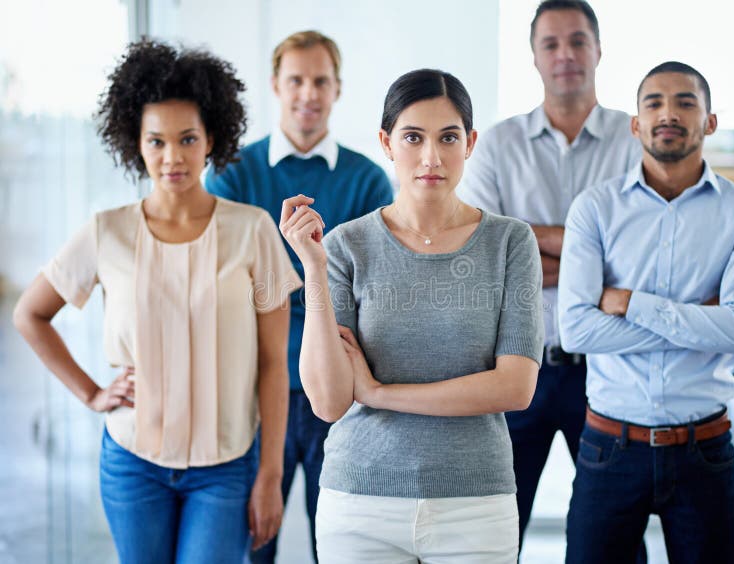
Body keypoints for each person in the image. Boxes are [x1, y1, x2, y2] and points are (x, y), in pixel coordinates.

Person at [13, 39, 302, 563]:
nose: (173, 157)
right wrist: (91, 393)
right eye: (157, 141)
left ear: (211, 138)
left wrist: (270, 475)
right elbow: (30, 314)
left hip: (228, 466)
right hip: (131, 463)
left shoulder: (253, 230)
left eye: (188, 139)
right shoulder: (107, 232)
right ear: (136, 144)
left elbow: (272, 365)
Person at [279, 69, 544, 563]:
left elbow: (515, 387)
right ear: (386, 142)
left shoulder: (510, 242)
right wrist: (313, 270)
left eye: (448, 137)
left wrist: (380, 393)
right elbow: (330, 402)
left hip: (476, 505)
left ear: (470, 143)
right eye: (412, 137)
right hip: (359, 503)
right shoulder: (344, 246)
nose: (430, 157)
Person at [558, 61, 734, 563]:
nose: (667, 113)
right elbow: (575, 329)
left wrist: (631, 304)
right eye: (653, 102)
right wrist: (699, 321)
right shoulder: (595, 208)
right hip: (610, 448)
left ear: (710, 121)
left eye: (685, 102)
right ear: (635, 124)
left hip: (705, 449)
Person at [456, 0, 640, 548]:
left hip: (610, 374)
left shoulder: (636, 141)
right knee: (494, 534)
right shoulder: (496, 145)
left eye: (578, 41)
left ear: (599, 50)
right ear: (534, 57)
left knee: (613, 540)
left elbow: (641, 256)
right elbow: (486, 252)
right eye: (551, 44)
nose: (566, 55)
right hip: (519, 370)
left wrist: (530, 241)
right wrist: (594, 257)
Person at [204, 30, 393, 563]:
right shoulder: (234, 173)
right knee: (252, 542)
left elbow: (375, 290)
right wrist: (312, 287)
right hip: (253, 387)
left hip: (340, 390)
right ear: (275, 86)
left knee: (335, 543)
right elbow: (220, 282)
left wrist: (276, 288)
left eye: (320, 81)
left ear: (337, 89)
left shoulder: (369, 181)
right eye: (296, 80)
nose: (308, 93)